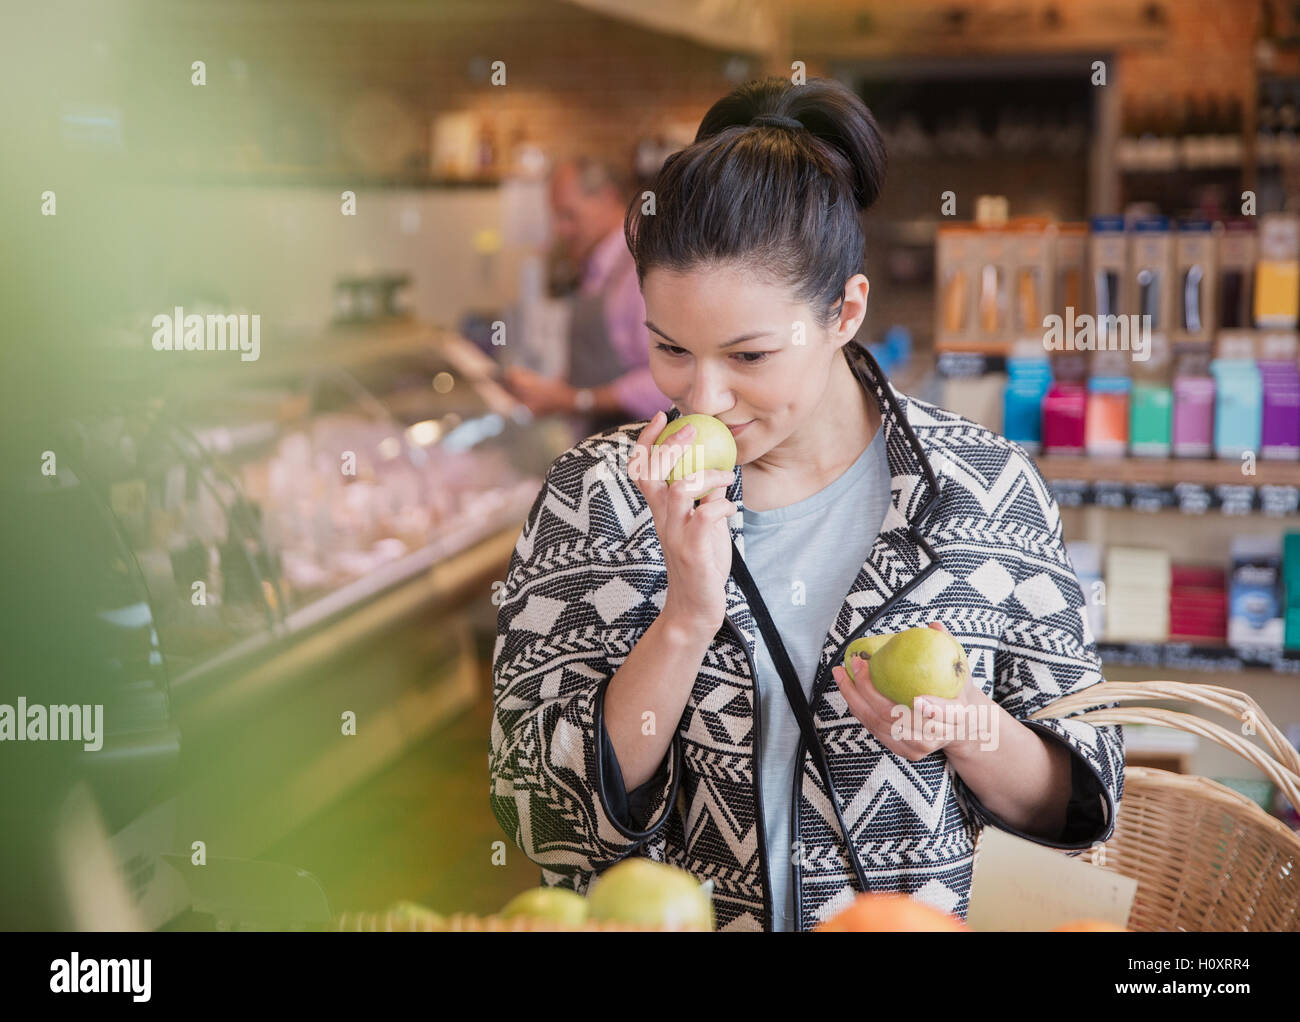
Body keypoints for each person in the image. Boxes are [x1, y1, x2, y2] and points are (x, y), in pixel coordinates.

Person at [490, 76, 1125, 932]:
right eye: (670, 349)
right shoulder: (594, 499)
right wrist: (685, 616)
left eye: (749, 356)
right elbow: (535, 808)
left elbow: (1082, 801)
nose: (703, 397)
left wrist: (967, 728)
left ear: (844, 313)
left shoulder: (985, 488)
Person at [502, 156, 672, 440]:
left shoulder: (643, 264)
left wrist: (574, 399)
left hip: (638, 453)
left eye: (570, 215)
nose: (562, 230)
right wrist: (550, 390)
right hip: (596, 443)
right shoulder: (598, 263)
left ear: (607, 199)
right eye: (556, 217)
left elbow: (665, 380)